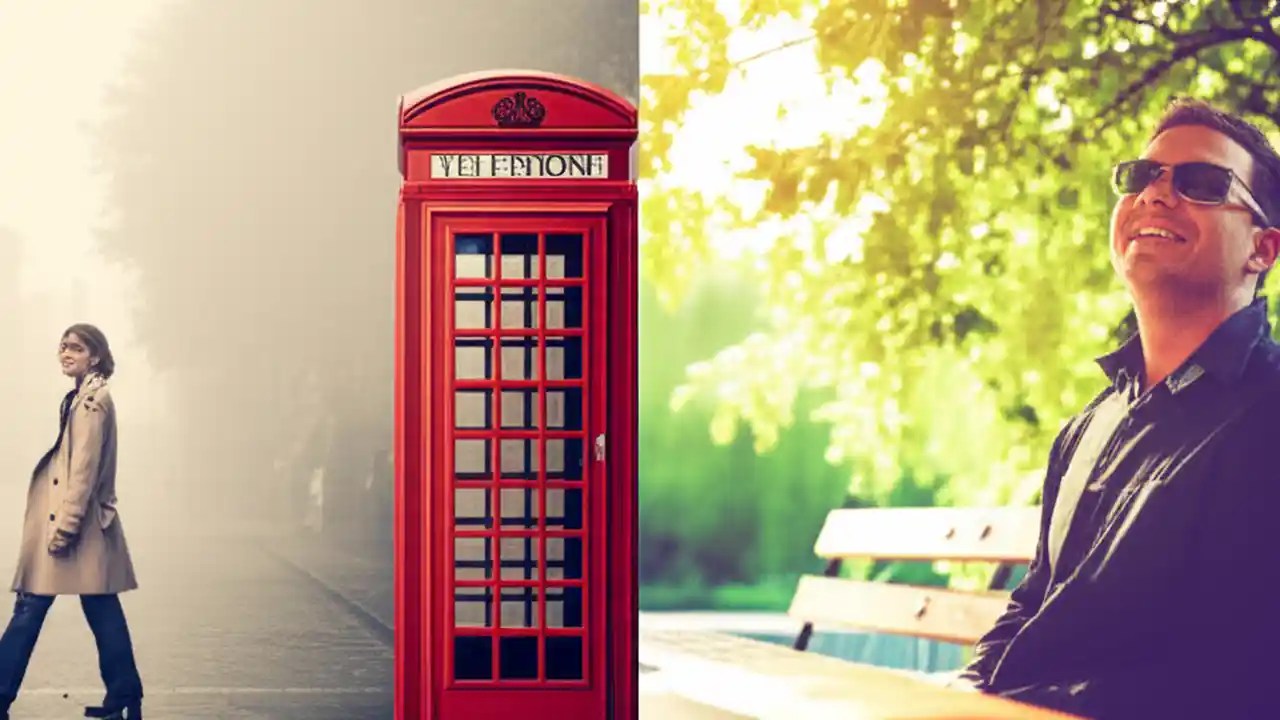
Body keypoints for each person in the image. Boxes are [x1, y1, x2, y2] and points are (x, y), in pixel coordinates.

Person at [947, 98, 1280, 718]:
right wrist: (964, 691)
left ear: (1262, 249)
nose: (1155, 195)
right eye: (1141, 176)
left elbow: (1240, 668)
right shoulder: (1086, 428)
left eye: (1202, 183)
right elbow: (1034, 601)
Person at [0, 325, 143, 719]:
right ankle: (125, 696)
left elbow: (83, 470)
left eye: (76, 348)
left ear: (94, 356)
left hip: (73, 527)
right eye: (63, 347)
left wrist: (64, 527)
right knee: (101, 609)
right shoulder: (83, 396)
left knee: (30, 609)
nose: (66, 354)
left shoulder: (91, 402)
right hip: (85, 529)